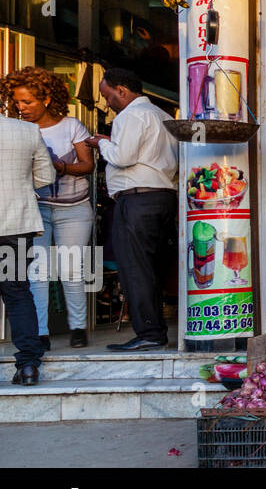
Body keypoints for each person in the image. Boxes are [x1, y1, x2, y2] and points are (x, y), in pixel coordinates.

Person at [0, 67, 96, 349]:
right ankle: (40, 330)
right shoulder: (18, 130)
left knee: (71, 268)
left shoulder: (71, 126)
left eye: (27, 101)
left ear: (45, 99)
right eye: (17, 102)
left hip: (74, 208)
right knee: (36, 272)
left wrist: (60, 167)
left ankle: (78, 327)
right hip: (36, 209)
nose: (21, 107)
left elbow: (88, 165)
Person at [85, 68, 178, 352]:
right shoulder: (163, 115)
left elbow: (122, 157)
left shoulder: (131, 116)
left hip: (137, 200)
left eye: (107, 95)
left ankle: (149, 333)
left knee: (135, 268)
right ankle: (153, 329)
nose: (107, 103)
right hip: (162, 197)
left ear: (122, 90)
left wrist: (101, 142)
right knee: (152, 267)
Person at [0, 114, 57, 384]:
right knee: (17, 292)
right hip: (16, 223)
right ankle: (28, 366)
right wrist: (21, 187)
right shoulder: (27, 130)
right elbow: (46, 175)